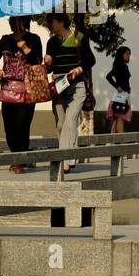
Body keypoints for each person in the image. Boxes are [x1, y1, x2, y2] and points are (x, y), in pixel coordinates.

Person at [0, 16, 43, 173]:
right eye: (10, 21)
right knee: (9, 126)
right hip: (8, 89)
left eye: (14, 21)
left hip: (27, 89)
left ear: (23, 22)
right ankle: (15, 157)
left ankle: (19, 161)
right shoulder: (5, 40)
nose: (11, 24)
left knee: (22, 126)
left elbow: (37, 62)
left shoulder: (34, 39)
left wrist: (25, 48)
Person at [43, 13, 95, 173]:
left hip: (77, 84)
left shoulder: (79, 37)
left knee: (70, 120)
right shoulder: (51, 42)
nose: (50, 26)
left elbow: (91, 60)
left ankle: (65, 159)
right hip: (59, 84)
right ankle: (68, 155)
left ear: (60, 22)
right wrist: (48, 63)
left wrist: (79, 69)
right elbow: (50, 69)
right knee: (61, 123)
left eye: (51, 22)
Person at [105, 45, 133, 133]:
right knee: (120, 118)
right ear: (121, 54)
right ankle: (122, 143)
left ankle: (111, 142)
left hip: (123, 96)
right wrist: (117, 86)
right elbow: (108, 76)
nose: (129, 56)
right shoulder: (120, 65)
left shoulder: (123, 66)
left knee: (117, 119)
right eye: (127, 54)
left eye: (129, 54)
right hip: (121, 96)